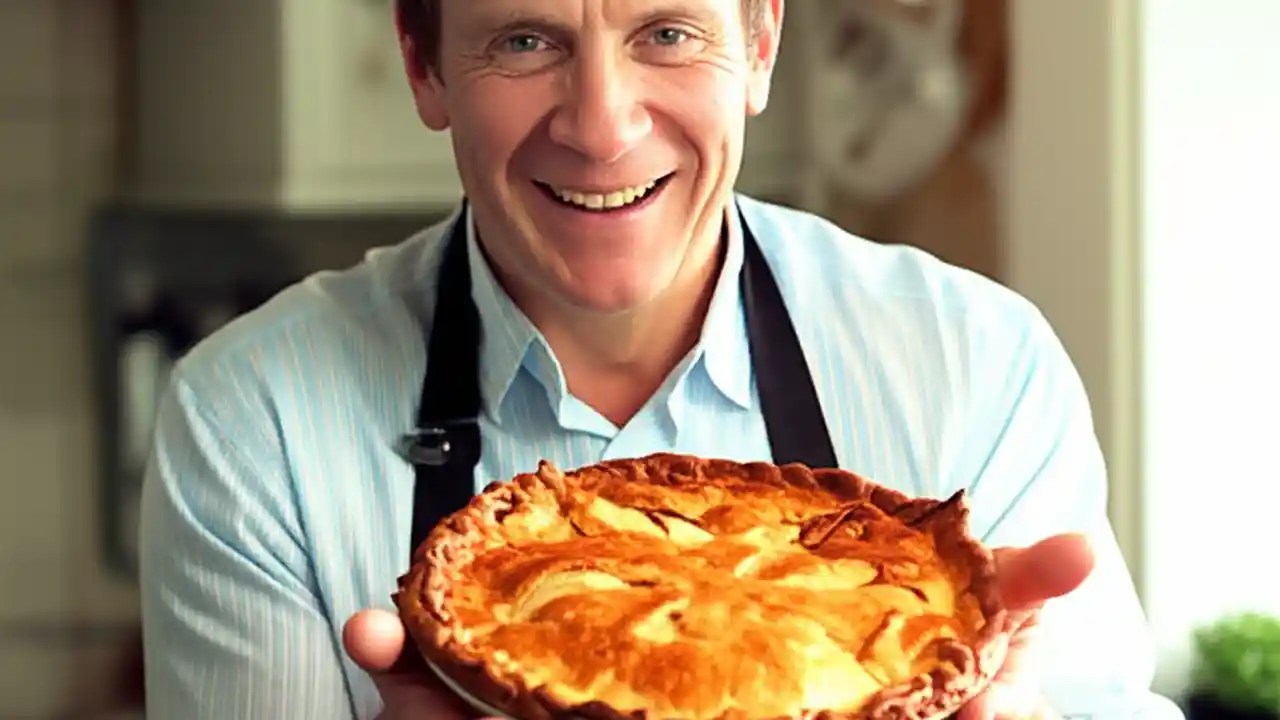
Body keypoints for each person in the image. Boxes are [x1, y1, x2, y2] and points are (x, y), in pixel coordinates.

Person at [136, 1, 1183, 718]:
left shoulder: (972, 365)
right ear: (423, 63)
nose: (601, 127)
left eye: (668, 32)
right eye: (523, 39)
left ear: (761, 41)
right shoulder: (252, 421)